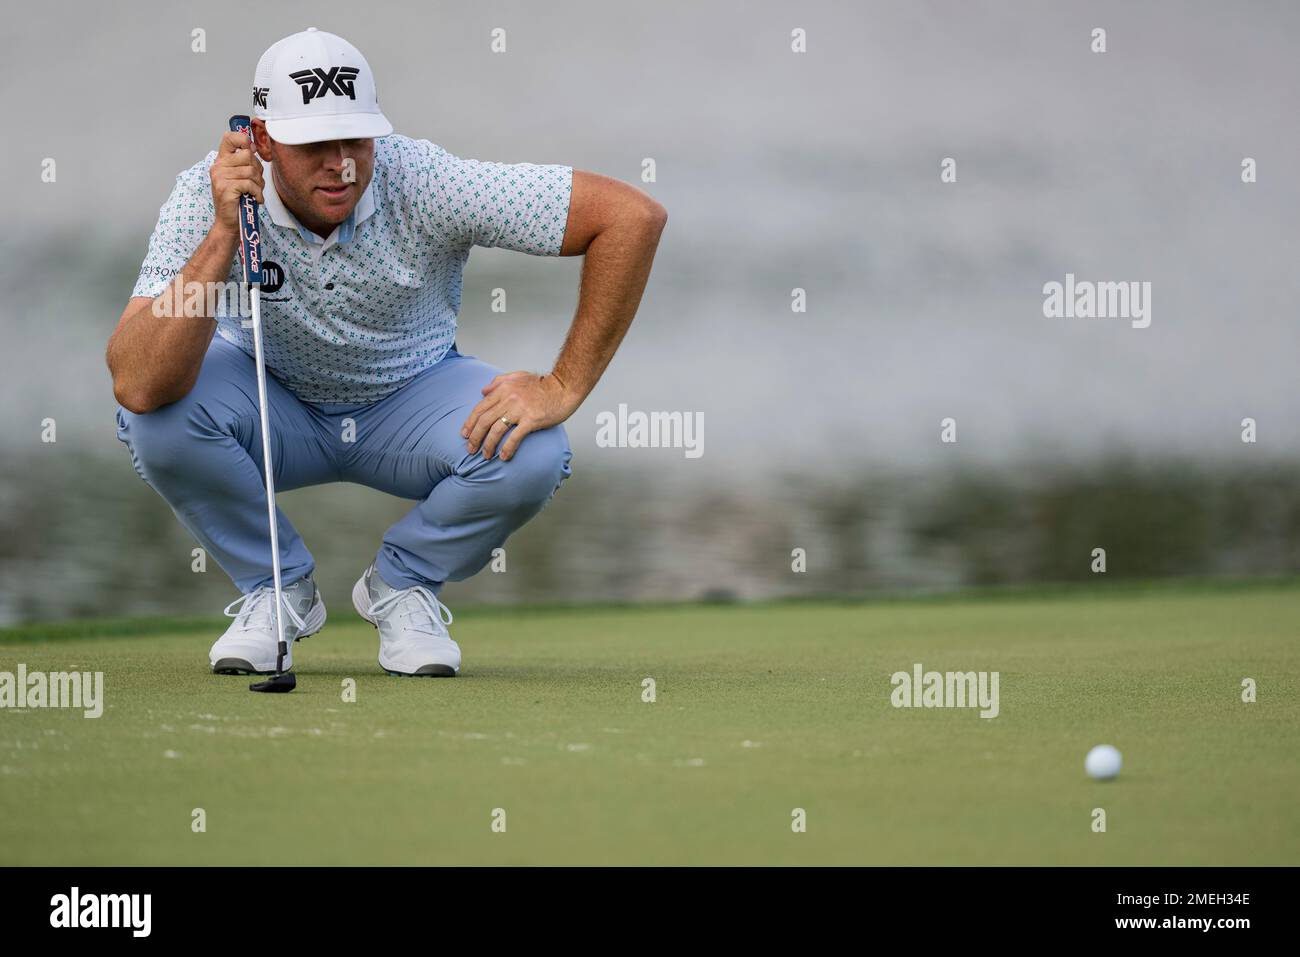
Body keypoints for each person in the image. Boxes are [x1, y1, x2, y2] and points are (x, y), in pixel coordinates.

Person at [106, 28, 666, 678]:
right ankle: (276, 588)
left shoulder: (424, 180)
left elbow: (631, 217)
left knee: (535, 448)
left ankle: (402, 585)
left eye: (355, 140)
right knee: (158, 417)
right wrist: (224, 234)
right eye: (315, 144)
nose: (340, 164)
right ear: (262, 141)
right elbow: (138, 381)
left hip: (411, 399)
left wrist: (564, 384)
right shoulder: (206, 196)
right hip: (272, 401)